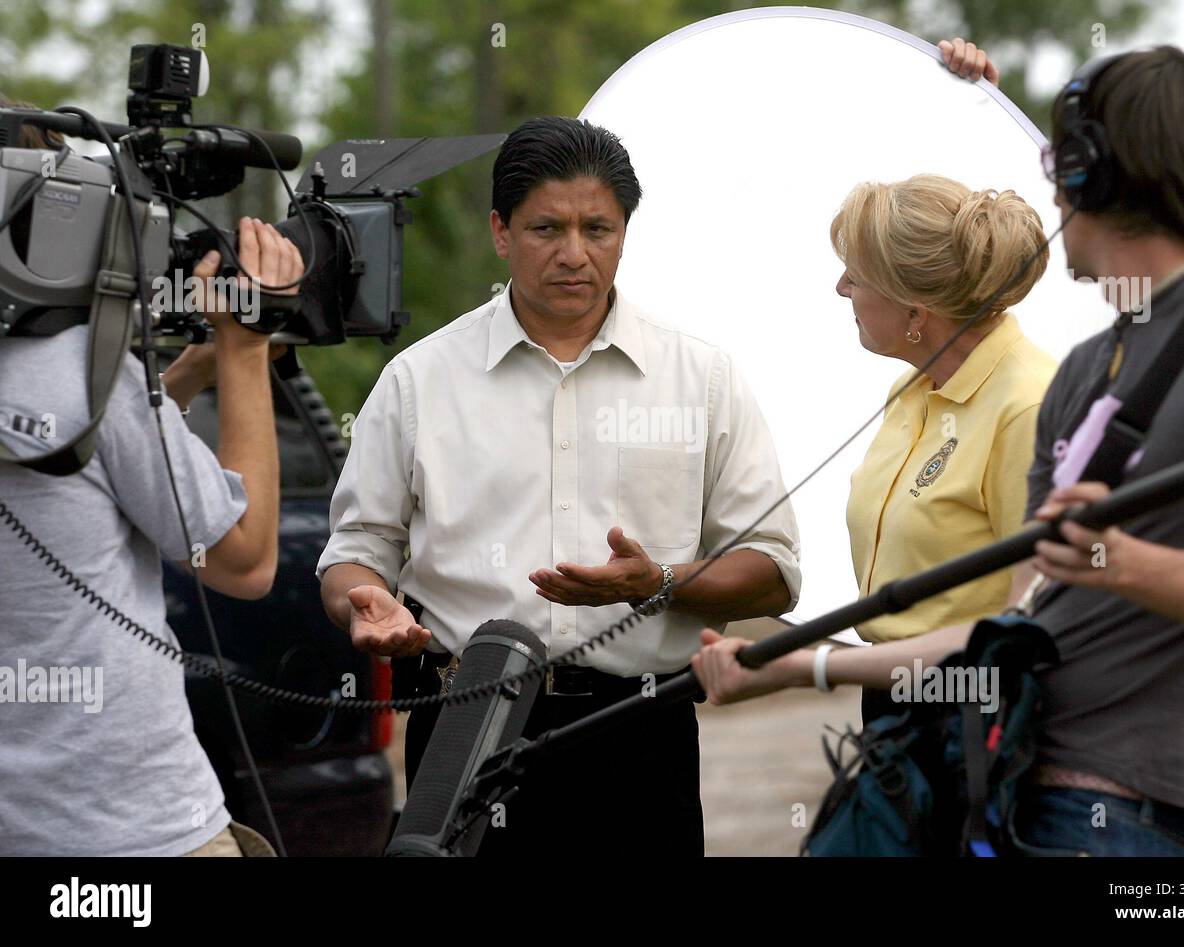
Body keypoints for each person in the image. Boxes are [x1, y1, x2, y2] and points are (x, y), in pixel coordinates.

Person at [694, 45, 1184, 857]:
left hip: (1108, 814)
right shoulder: (1089, 368)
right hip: (990, 788)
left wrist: (1117, 559)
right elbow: (1007, 631)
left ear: (1088, 175)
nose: (1047, 189)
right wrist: (800, 666)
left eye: (1059, 161)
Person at [316, 116, 800, 856]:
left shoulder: (702, 377)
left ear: (626, 231)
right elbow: (356, 548)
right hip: (465, 731)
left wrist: (659, 581)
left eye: (597, 228)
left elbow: (772, 572)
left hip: (641, 734)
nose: (575, 254)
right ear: (500, 232)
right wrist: (365, 600)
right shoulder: (421, 380)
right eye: (547, 228)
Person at [0, 186, 304, 856]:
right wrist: (244, 347)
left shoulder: (87, 385)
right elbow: (244, 560)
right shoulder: (86, 375)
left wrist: (181, 377)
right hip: (130, 833)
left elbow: (89, 474)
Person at [833, 174, 1055, 645]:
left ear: (916, 313)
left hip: (979, 698)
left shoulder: (1028, 407)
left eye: (856, 276)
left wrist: (811, 668)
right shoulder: (912, 389)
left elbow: (1044, 611)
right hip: (894, 689)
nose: (841, 288)